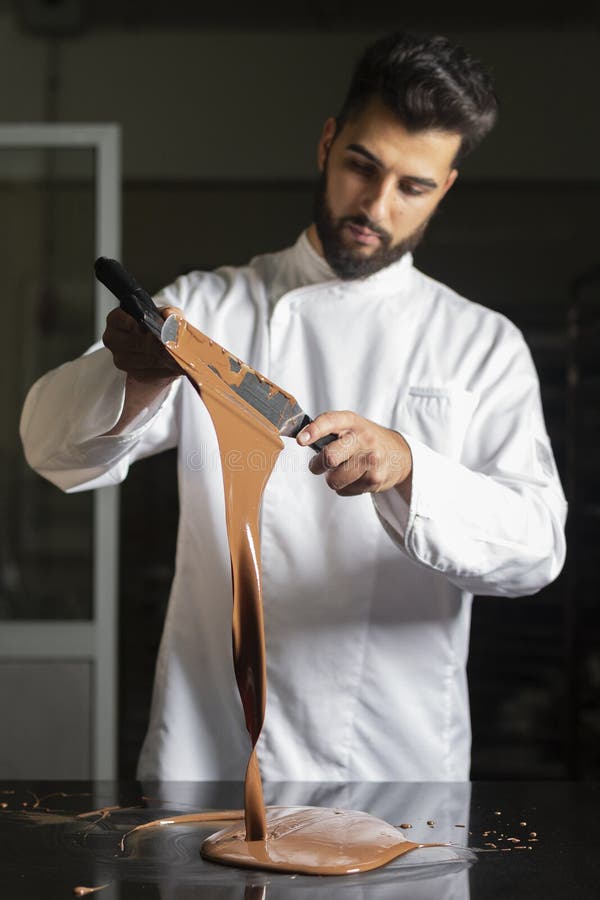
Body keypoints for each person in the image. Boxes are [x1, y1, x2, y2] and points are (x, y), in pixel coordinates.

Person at [20, 31, 567, 782]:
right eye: (361, 167)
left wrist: (412, 468)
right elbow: (48, 446)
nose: (375, 206)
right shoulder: (209, 309)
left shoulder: (479, 343)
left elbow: (537, 549)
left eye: (412, 187)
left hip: (395, 767)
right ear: (326, 143)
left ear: (444, 189)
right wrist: (140, 376)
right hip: (208, 759)